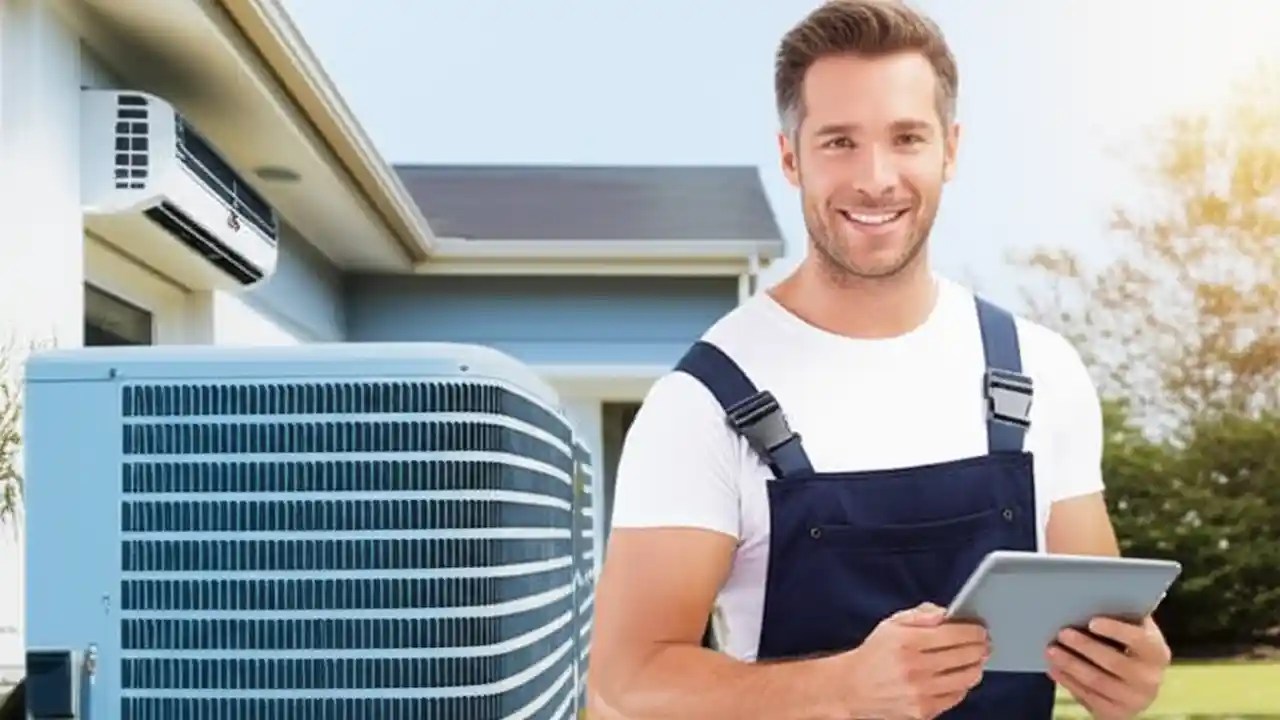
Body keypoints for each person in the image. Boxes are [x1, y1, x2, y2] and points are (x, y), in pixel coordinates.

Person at [585, 1, 1173, 718]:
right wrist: (841, 688)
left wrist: (1129, 673)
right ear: (790, 156)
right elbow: (624, 683)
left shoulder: (1041, 372)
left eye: (906, 138)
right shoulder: (701, 403)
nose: (876, 177)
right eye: (839, 142)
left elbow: (1100, 627)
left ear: (950, 150)